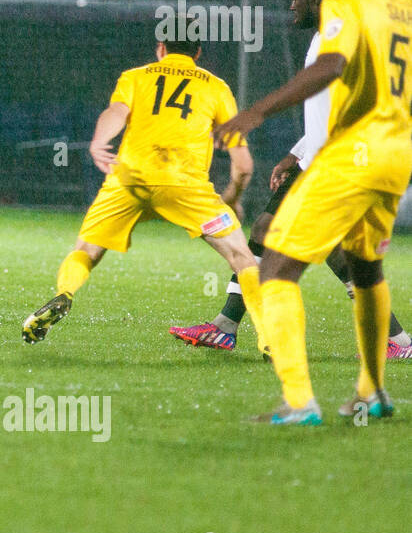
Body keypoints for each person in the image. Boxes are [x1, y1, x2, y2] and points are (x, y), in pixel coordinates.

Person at [214, 0, 412, 425]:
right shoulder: (408, 12)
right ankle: (373, 391)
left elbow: (330, 66)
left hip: (351, 154)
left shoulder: (345, 4)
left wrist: (257, 111)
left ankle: (299, 401)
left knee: (276, 264)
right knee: (364, 267)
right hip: (396, 159)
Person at [170, 0, 412, 356]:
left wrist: (259, 112)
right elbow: (331, 108)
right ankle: (395, 339)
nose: (292, 5)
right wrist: (294, 154)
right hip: (323, 159)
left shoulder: (338, 28)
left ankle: (227, 328)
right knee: (335, 251)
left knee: (265, 234)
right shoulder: (330, 32)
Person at [22, 35, 264, 347]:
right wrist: (232, 197)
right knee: (242, 257)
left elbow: (115, 114)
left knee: (85, 251)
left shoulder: (135, 77)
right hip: (186, 186)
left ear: (161, 49)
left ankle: (64, 293)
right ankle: (269, 339)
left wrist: (98, 141)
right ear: (198, 52)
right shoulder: (216, 86)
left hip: (128, 181)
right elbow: (243, 165)